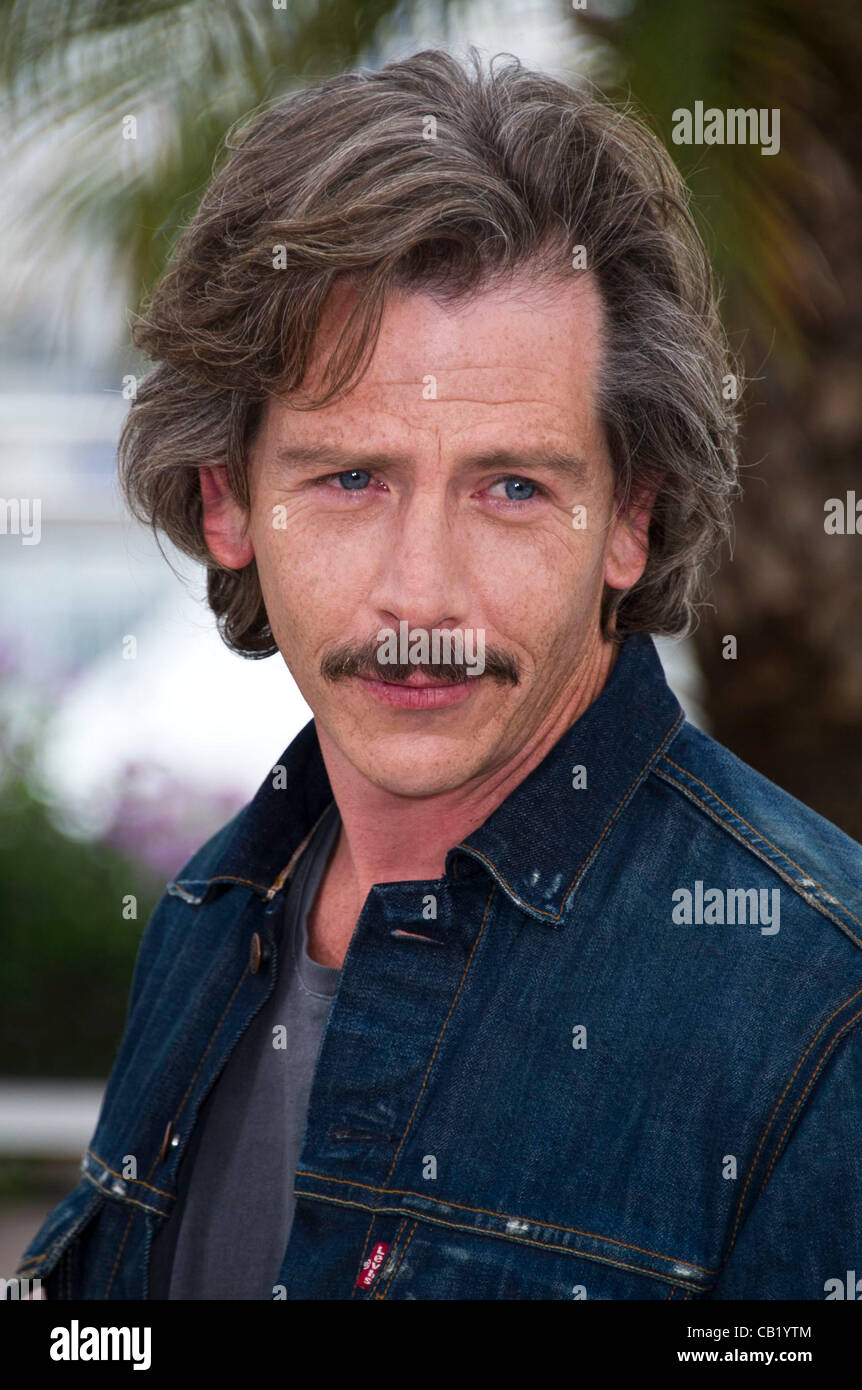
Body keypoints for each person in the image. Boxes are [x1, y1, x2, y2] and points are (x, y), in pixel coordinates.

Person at [15, 47, 862, 1301]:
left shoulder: (816, 1006)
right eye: (350, 478)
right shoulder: (212, 914)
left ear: (630, 519)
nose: (422, 594)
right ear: (228, 502)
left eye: (512, 487)